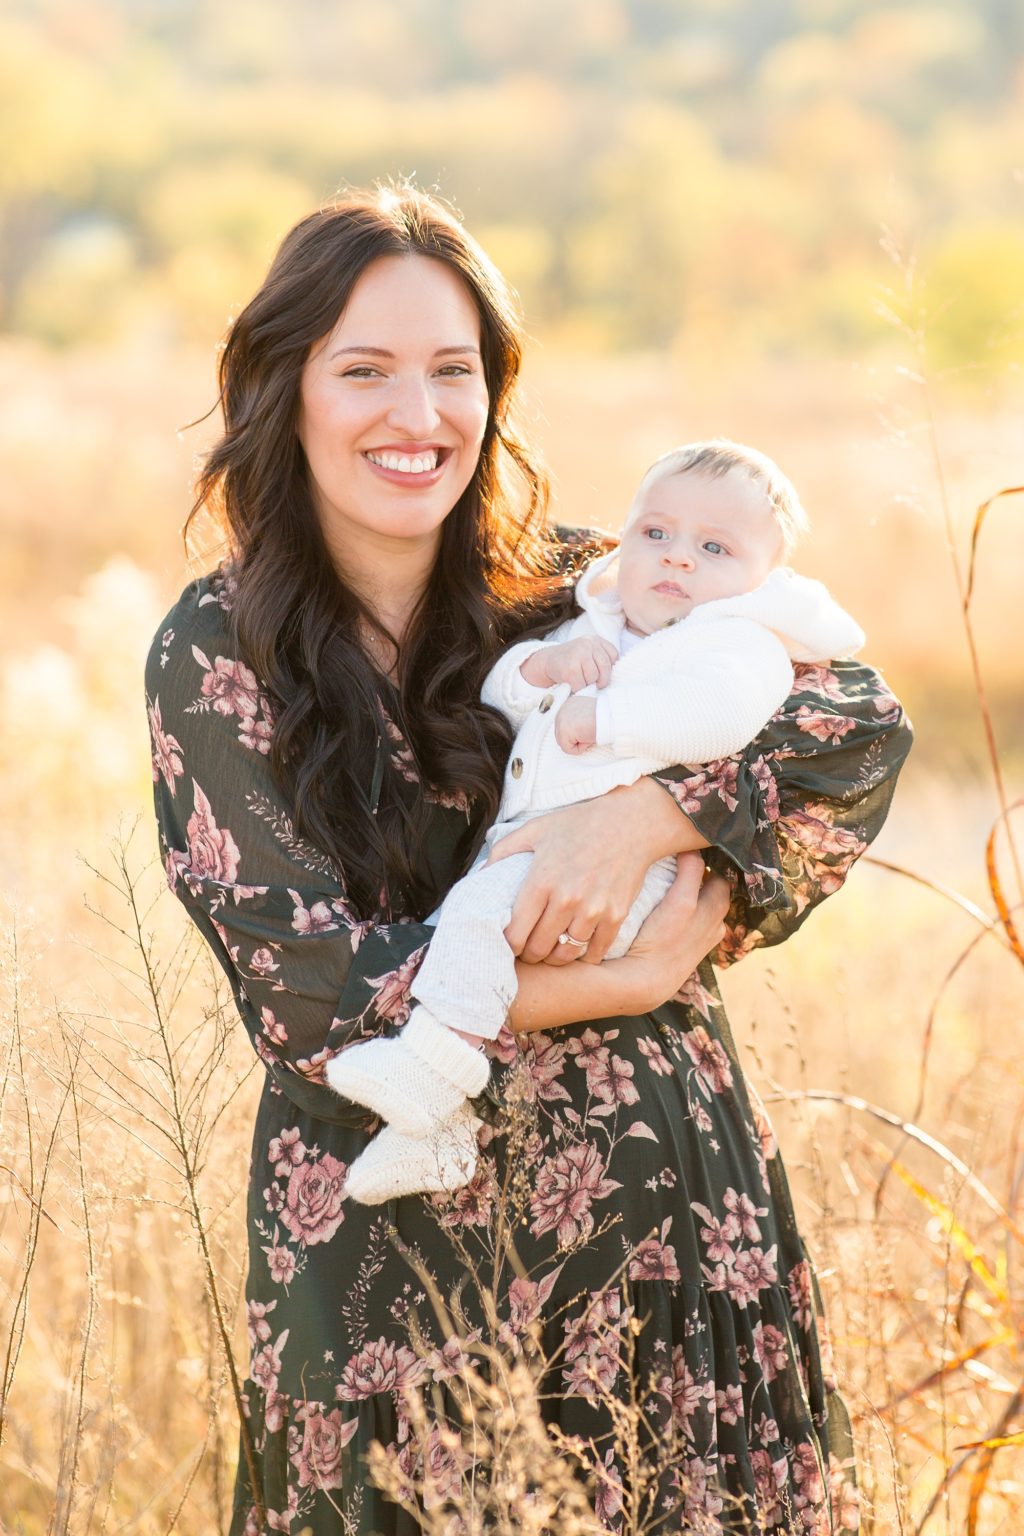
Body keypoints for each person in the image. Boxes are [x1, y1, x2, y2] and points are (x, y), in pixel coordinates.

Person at [146, 185, 911, 1536]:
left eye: (454, 371)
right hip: (392, 1271)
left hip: (664, 1228)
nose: (419, 413)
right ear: (284, 386)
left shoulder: (586, 590)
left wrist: (650, 818)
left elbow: (854, 724)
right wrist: (621, 983)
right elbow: (307, 993)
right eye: (365, 369)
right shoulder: (219, 650)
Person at [329, 439, 866, 1205]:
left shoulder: (737, 640)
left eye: (714, 548)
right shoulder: (599, 621)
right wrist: (544, 669)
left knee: (474, 923)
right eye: (656, 532)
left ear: (763, 575)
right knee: (454, 934)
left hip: (628, 873)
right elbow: (501, 696)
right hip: (533, 851)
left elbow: (719, 717)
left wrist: (607, 717)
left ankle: (429, 1075)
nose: (676, 557)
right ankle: (437, 1133)